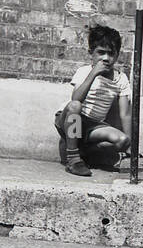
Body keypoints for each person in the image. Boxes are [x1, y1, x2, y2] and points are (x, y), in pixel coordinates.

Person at [55, 24, 132, 177]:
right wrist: (93, 74)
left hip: (93, 127)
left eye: (111, 54)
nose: (106, 58)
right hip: (71, 119)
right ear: (91, 53)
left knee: (123, 141)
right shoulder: (84, 71)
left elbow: (125, 114)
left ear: (117, 55)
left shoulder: (121, 79)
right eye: (101, 52)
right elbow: (75, 99)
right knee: (75, 106)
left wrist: (131, 147)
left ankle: (82, 150)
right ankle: (73, 159)